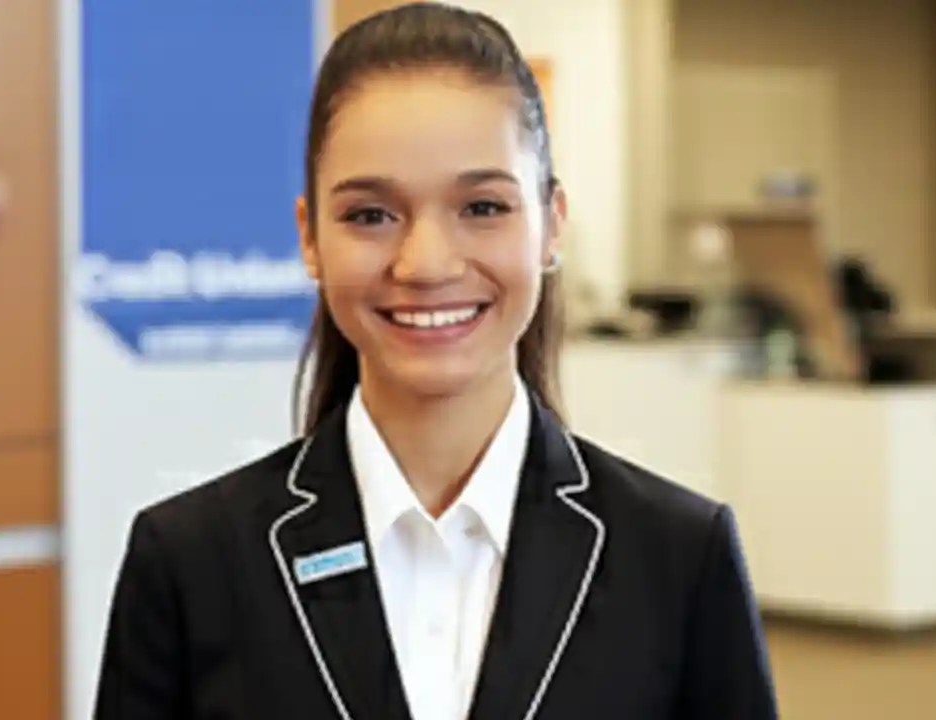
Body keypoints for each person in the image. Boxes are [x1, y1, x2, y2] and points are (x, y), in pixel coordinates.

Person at [94, 4, 778, 719]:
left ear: (551, 225)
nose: (425, 263)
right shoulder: (191, 561)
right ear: (310, 238)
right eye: (370, 215)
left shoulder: (677, 556)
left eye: (482, 207)